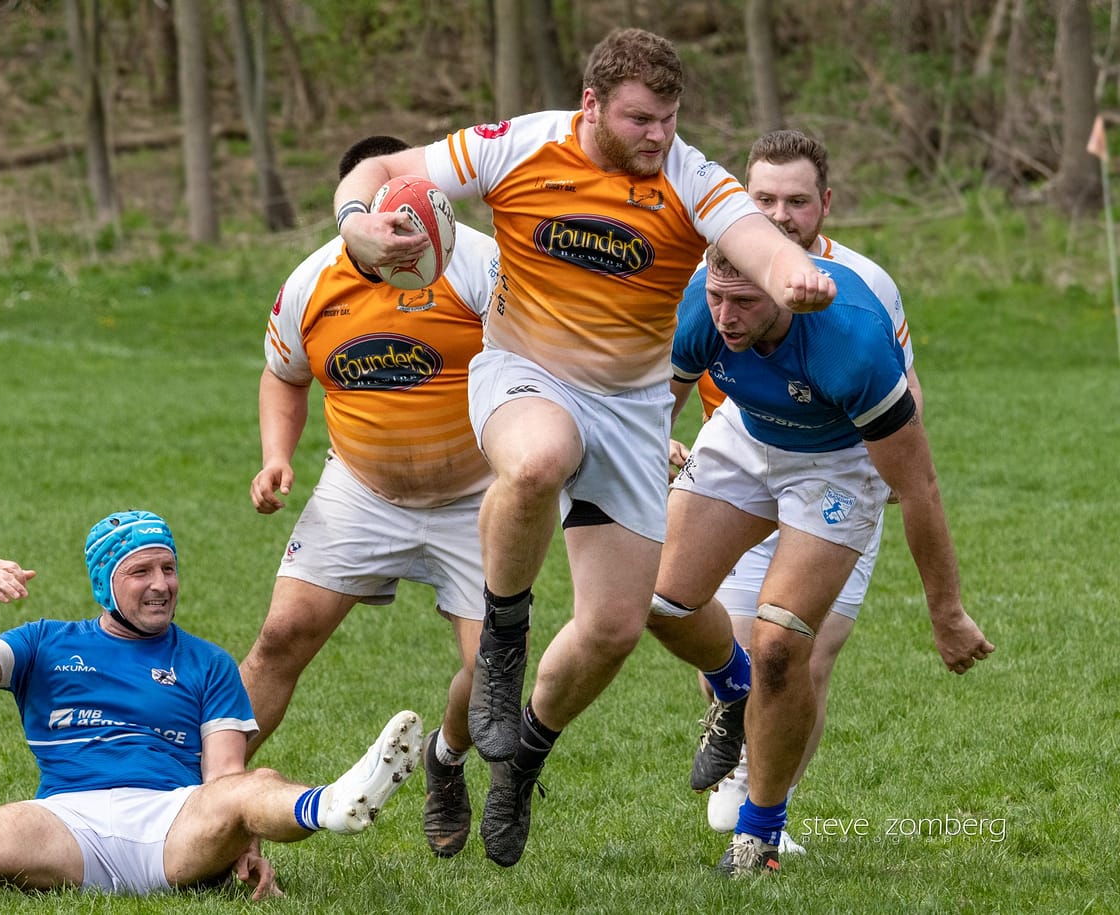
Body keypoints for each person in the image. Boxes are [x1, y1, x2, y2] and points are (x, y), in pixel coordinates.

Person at [331, 28, 837, 868]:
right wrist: (356, 225)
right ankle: (501, 644)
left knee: (612, 627)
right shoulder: (520, 144)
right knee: (536, 458)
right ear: (591, 104)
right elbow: (380, 172)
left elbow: (754, 237)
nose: (658, 136)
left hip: (634, 411)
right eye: (641, 119)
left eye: (670, 119)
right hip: (524, 370)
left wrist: (791, 275)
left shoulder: (689, 175)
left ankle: (523, 760)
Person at [0, 510, 423, 912]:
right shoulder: (45, 642)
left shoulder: (207, 662)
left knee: (257, 781)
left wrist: (245, 844)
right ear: (104, 581)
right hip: (69, 824)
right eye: (140, 571)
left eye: (168, 568)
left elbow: (224, 779)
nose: (161, 584)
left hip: (173, 821)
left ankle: (336, 805)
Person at [650, 243, 993, 875]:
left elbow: (919, 488)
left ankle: (758, 836)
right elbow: (658, 401)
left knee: (781, 647)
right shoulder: (705, 306)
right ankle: (732, 686)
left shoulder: (850, 346)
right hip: (745, 431)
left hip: (838, 464)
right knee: (655, 600)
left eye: (744, 302)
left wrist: (946, 613)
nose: (726, 317)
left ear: (784, 291)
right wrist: (650, 440)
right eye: (718, 298)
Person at [239, 134, 499, 860]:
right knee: (280, 637)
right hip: (361, 490)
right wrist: (274, 457)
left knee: (492, 673)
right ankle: (208, 796)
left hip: (476, 499)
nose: (403, 240)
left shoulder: (478, 265)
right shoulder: (311, 281)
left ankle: (445, 761)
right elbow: (285, 376)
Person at [673, 129, 927, 852]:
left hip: (839, 475)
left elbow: (904, 396)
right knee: (728, 637)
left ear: (826, 204)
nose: (779, 215)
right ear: (740, 199)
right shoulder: (715, 269)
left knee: (800, 657)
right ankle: (738, 727)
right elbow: (678, 368)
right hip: (743, 471)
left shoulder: (864, 288)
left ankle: (766, 821)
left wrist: (900, 480)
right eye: (763, 199)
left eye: (796, 200)